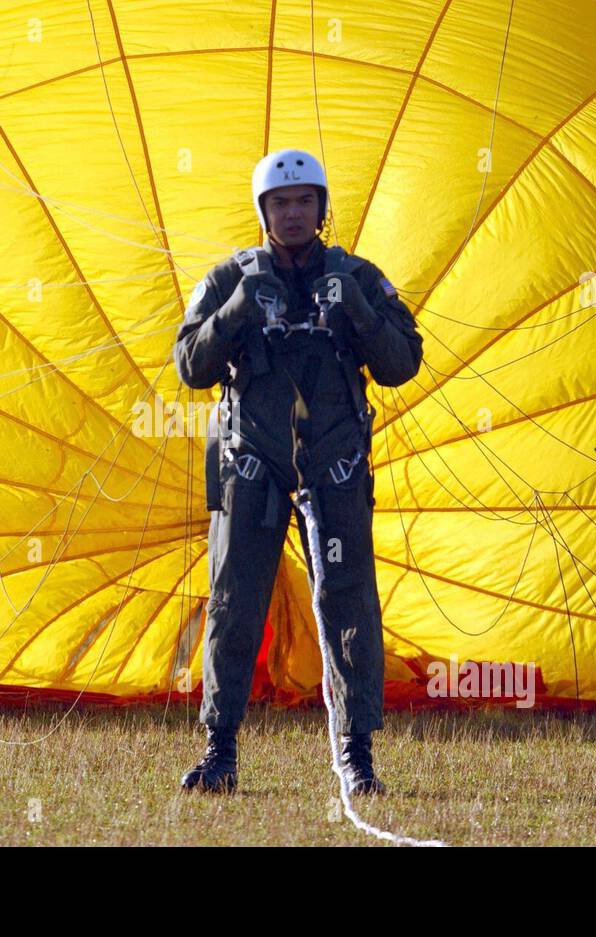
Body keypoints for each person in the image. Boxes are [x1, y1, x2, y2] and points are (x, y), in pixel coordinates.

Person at [174, 149, 423, 792]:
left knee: (349, 601)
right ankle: (219, 748)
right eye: (280, 204)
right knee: (235, 600)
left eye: (304, 202)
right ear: (263, 211)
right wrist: (235, 314)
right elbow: (190, 368)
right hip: (251, 462)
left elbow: (401, 365)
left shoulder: (357, 277)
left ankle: (356, 750)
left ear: (322, 209)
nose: (292, 214)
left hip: (334, 461)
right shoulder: (230, 277)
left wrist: (360, 315)